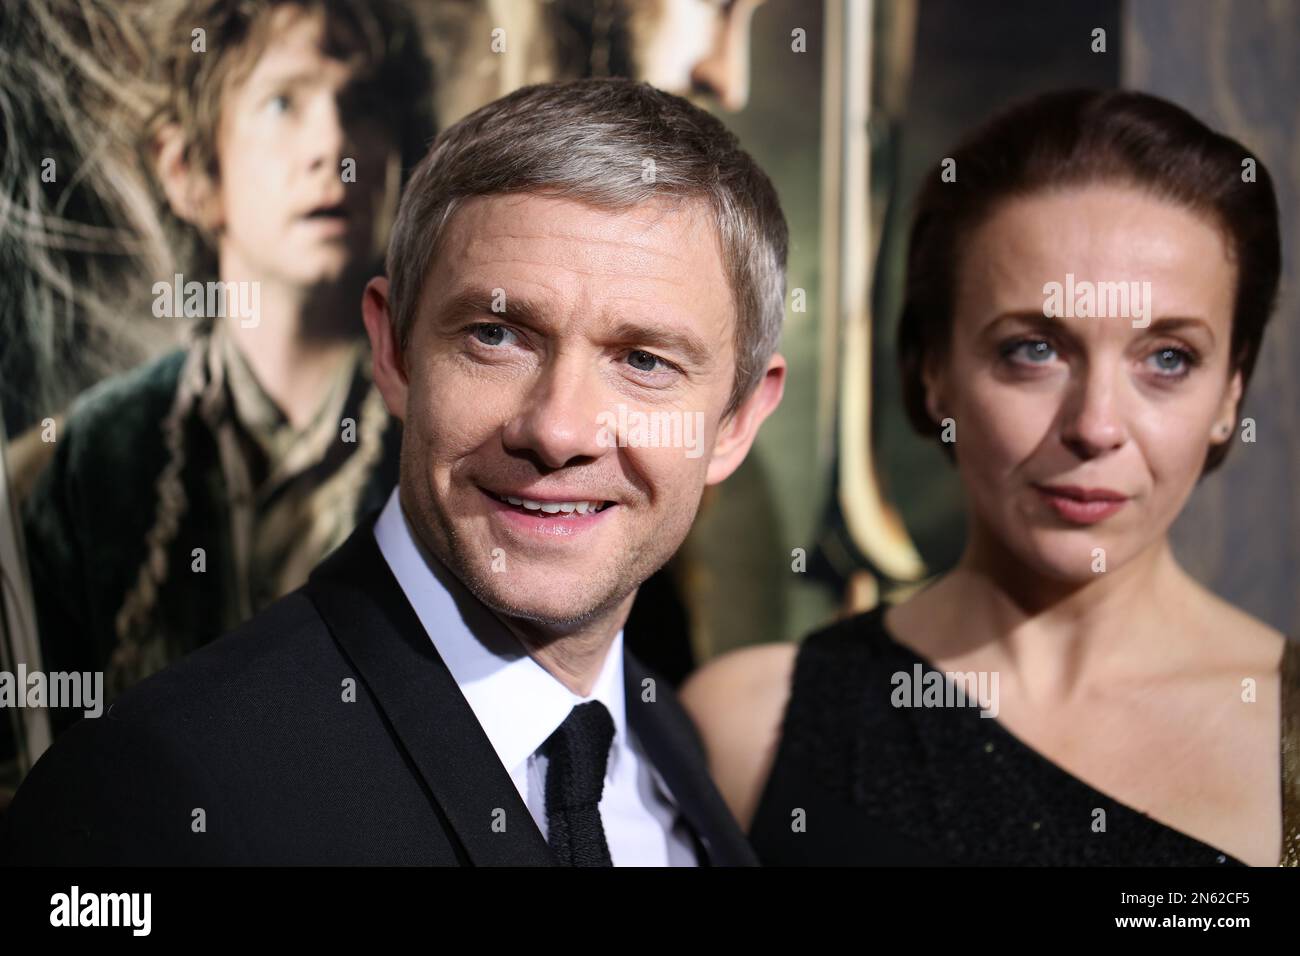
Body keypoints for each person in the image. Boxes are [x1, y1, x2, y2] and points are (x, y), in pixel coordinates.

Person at [3, 76, 788, 866]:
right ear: (393, 353)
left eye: (644, 361)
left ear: (737, 421)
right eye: (496, 336)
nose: (557, 431)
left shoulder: (680, 757)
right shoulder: (150, 797)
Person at [681, 88, 1299, 866]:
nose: (1096, 426)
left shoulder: (1280, 731)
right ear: (933, 370)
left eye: (1168, 359)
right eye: (1033, 350)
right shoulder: (747, 729)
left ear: (1231, 394)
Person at [18, 0, 434, 726]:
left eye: (362, 104)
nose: (332, 144)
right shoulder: (98, 457)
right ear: (187, 169)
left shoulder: (446, 433)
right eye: (281, 103)